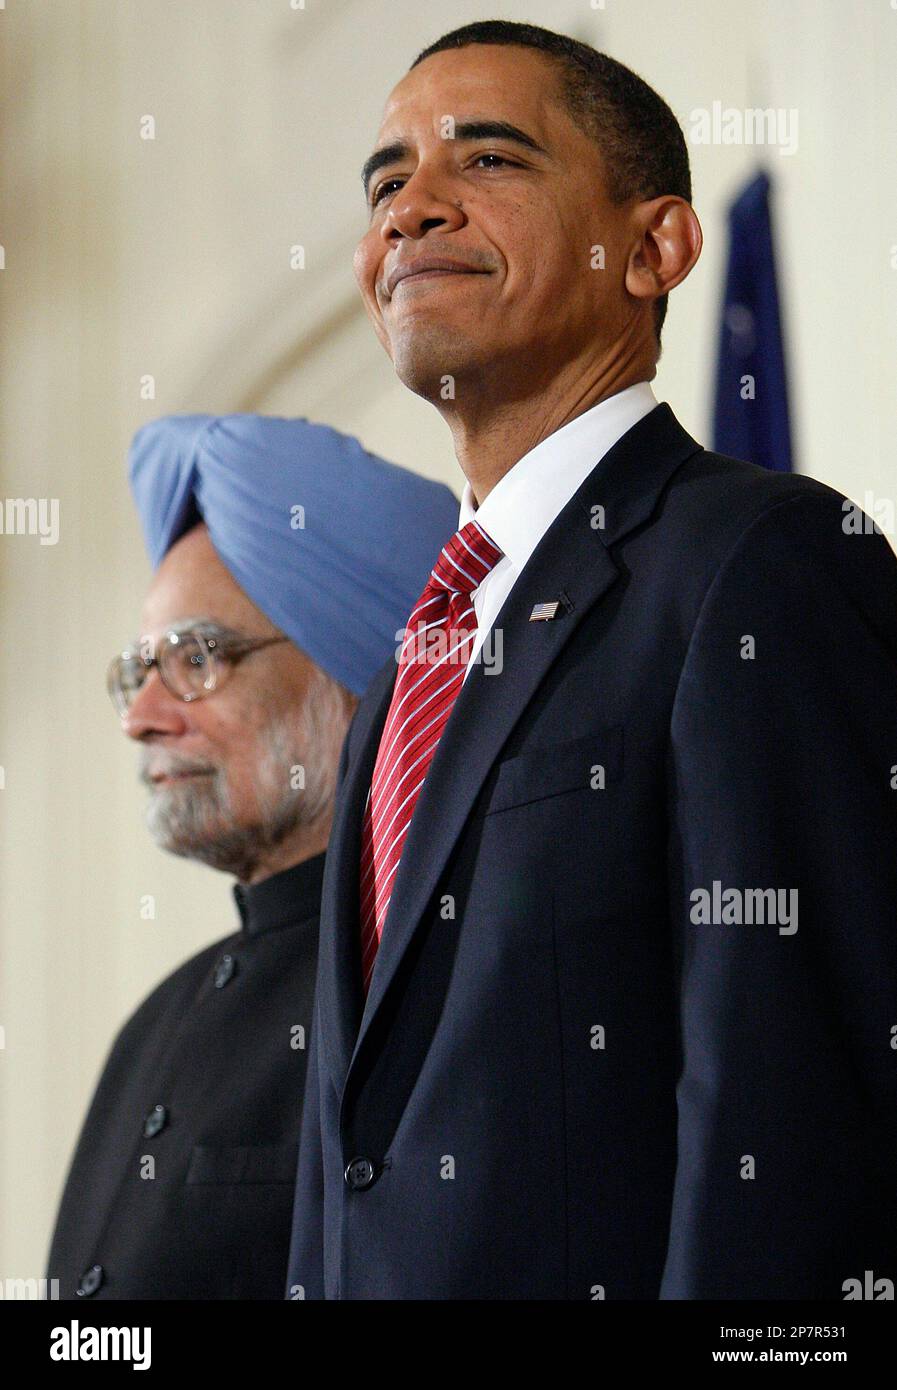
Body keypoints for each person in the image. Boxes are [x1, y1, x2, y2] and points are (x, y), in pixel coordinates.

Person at [287, 21, 897, 1300]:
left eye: (489, 160)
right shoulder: (422, 652)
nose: (411, 212)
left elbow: (799, 1117)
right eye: (384, 182)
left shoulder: (760, 560)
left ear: (657, 245)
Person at [46, 413, 458, 1300]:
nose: (141, 716)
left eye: (198, 657)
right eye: (138, 668)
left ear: (353, 685)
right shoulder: (154, 1022)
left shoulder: (441, 989)